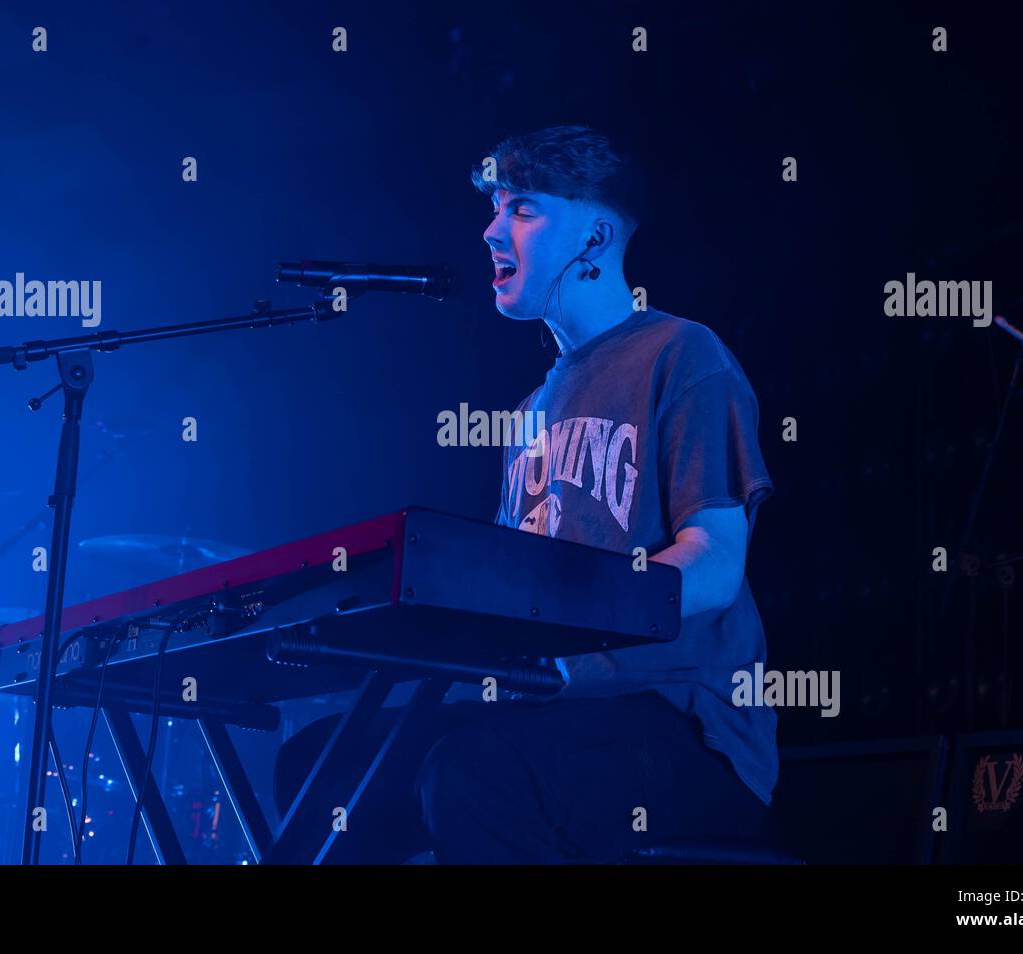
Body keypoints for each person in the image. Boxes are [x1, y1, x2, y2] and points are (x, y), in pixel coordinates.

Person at [275, 126, 776, 864]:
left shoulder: (682, 353)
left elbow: (715, 563)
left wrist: (581, 618)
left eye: (523, 210)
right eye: (495, 209)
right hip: (546, 708)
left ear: (595, 235)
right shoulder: (532, 408)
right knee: (322, 767)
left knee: (475, 774)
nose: (490, 230)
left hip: (682, 722)